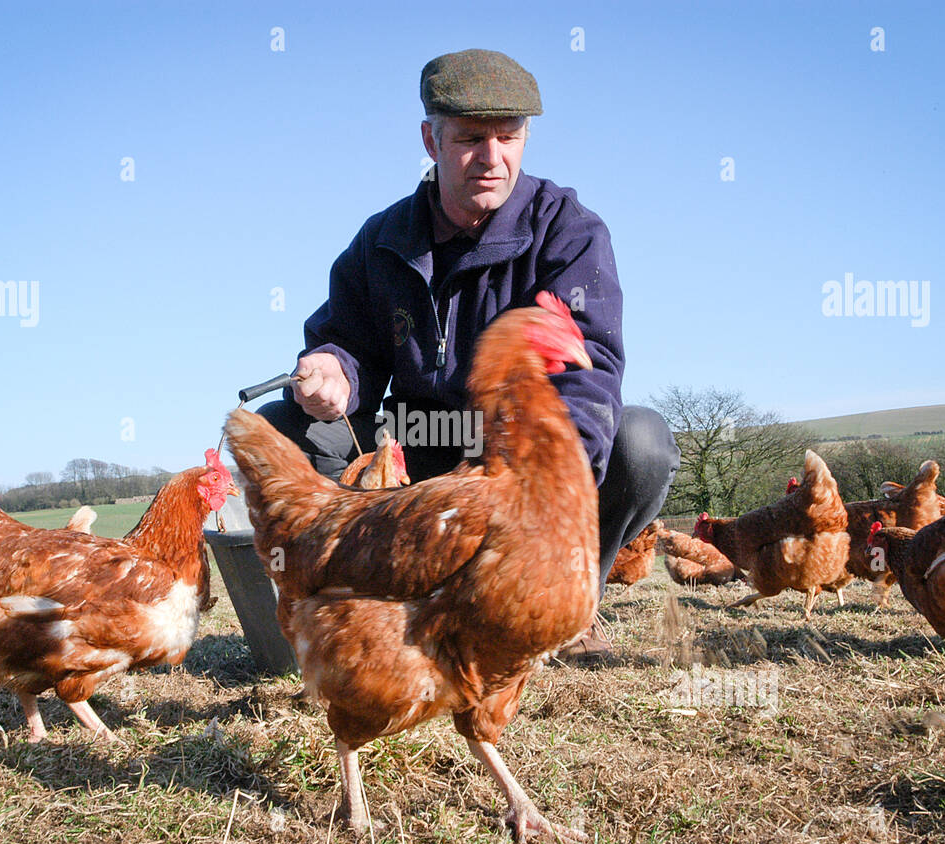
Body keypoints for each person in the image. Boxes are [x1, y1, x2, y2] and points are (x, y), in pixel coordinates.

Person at [258, 49, 679, 662]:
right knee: (283, 430)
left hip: (516, 454)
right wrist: (333, 371)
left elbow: (588, 370)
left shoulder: (568, 229)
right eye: (470, 138)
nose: (491, 157)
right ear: (430, 139)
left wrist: (540, 482)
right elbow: (349, 341)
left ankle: (560, 608)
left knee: (641, 444)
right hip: (416, 444)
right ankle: (356, 616)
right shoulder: (381, 241)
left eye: (509, 138)